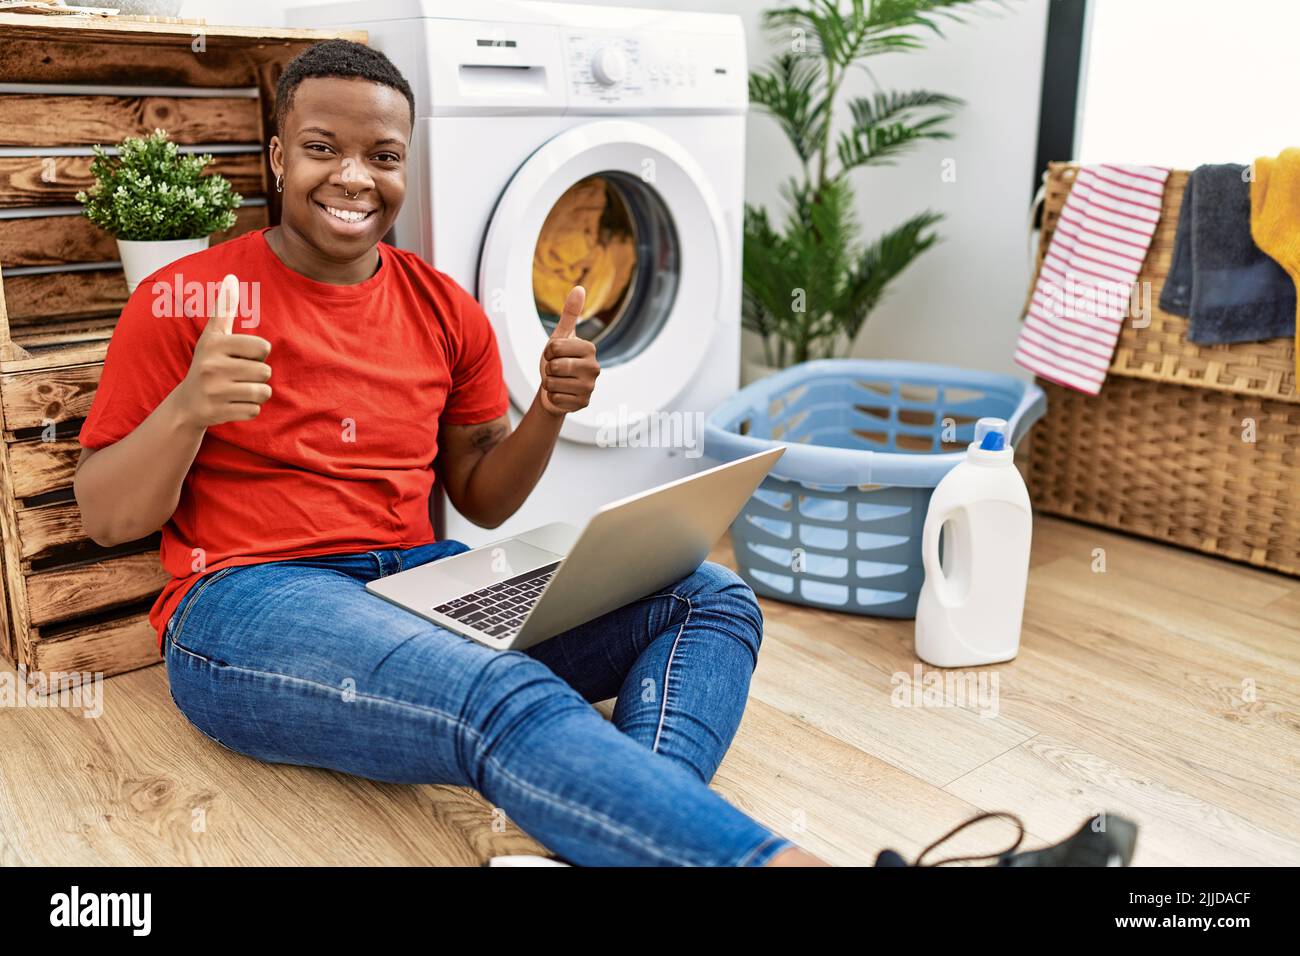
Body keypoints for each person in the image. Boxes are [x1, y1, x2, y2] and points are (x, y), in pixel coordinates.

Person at [73, 40, 1135, 868]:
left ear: (407, 166)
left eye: (383, 155)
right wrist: (188, 413)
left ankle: (592, 840)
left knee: (712, 596)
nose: (354, 175)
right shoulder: (186, 299)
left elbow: (482, 496)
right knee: (505, 698)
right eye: (322, 147)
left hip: (423, 584)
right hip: (245, 610)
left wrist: (547, 409)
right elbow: (105, 514)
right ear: (276, 155)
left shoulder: (443, 308)